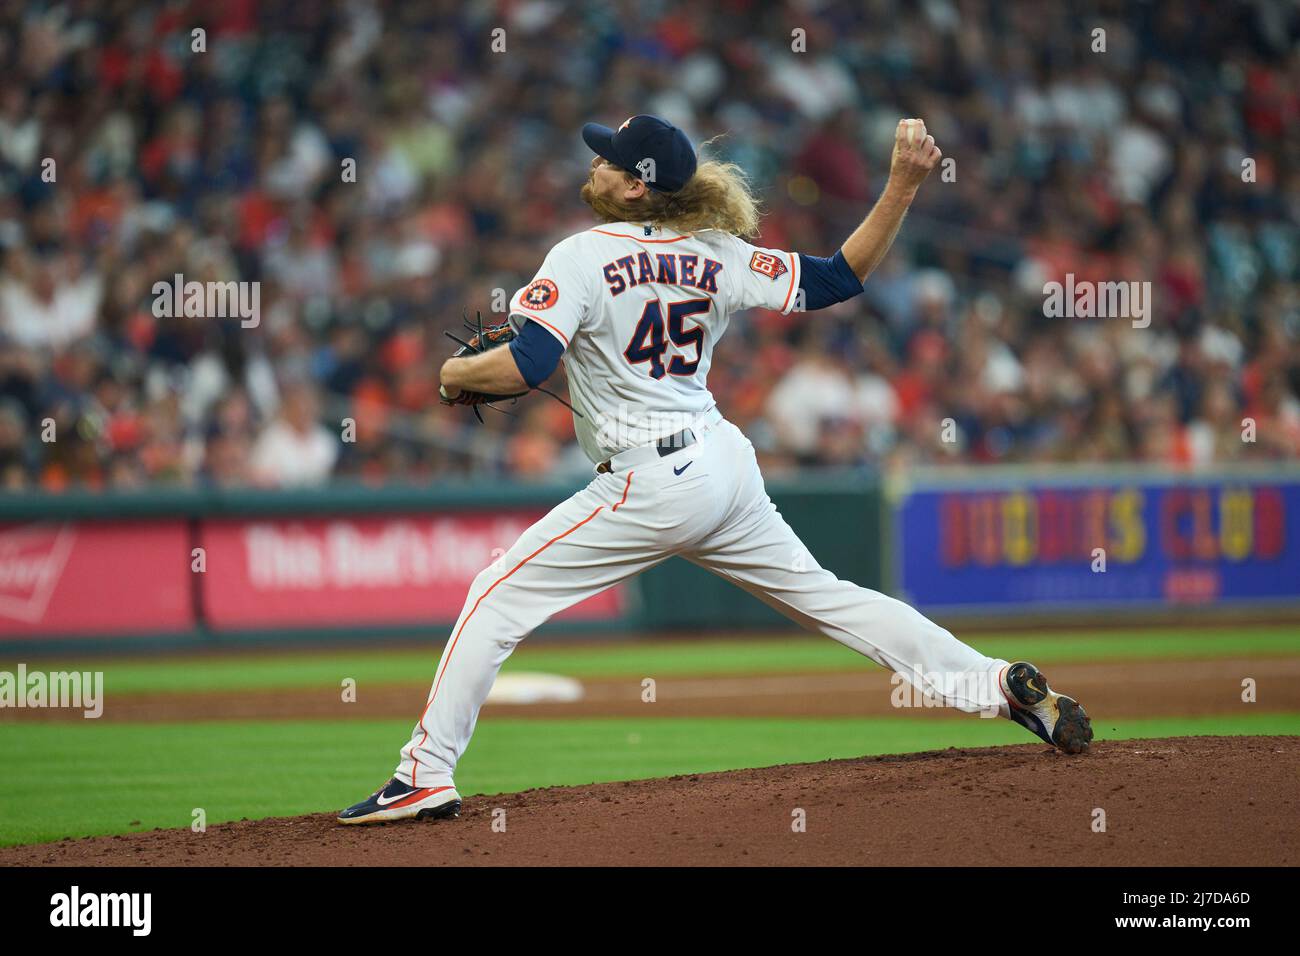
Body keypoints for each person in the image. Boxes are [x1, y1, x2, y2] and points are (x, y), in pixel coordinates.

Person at [340, 115, 1092, 825]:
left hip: (651, 478)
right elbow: (837, 279)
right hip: (723, 466)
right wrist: (901, 185)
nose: (593, 164)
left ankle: (423, 775)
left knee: (494, 596)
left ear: (637, 185)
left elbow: (530, 362)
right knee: (831, 598)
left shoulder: (580, 253)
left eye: (606, 158)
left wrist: (454, 374)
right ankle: (996, 684)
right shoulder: (716, 252)